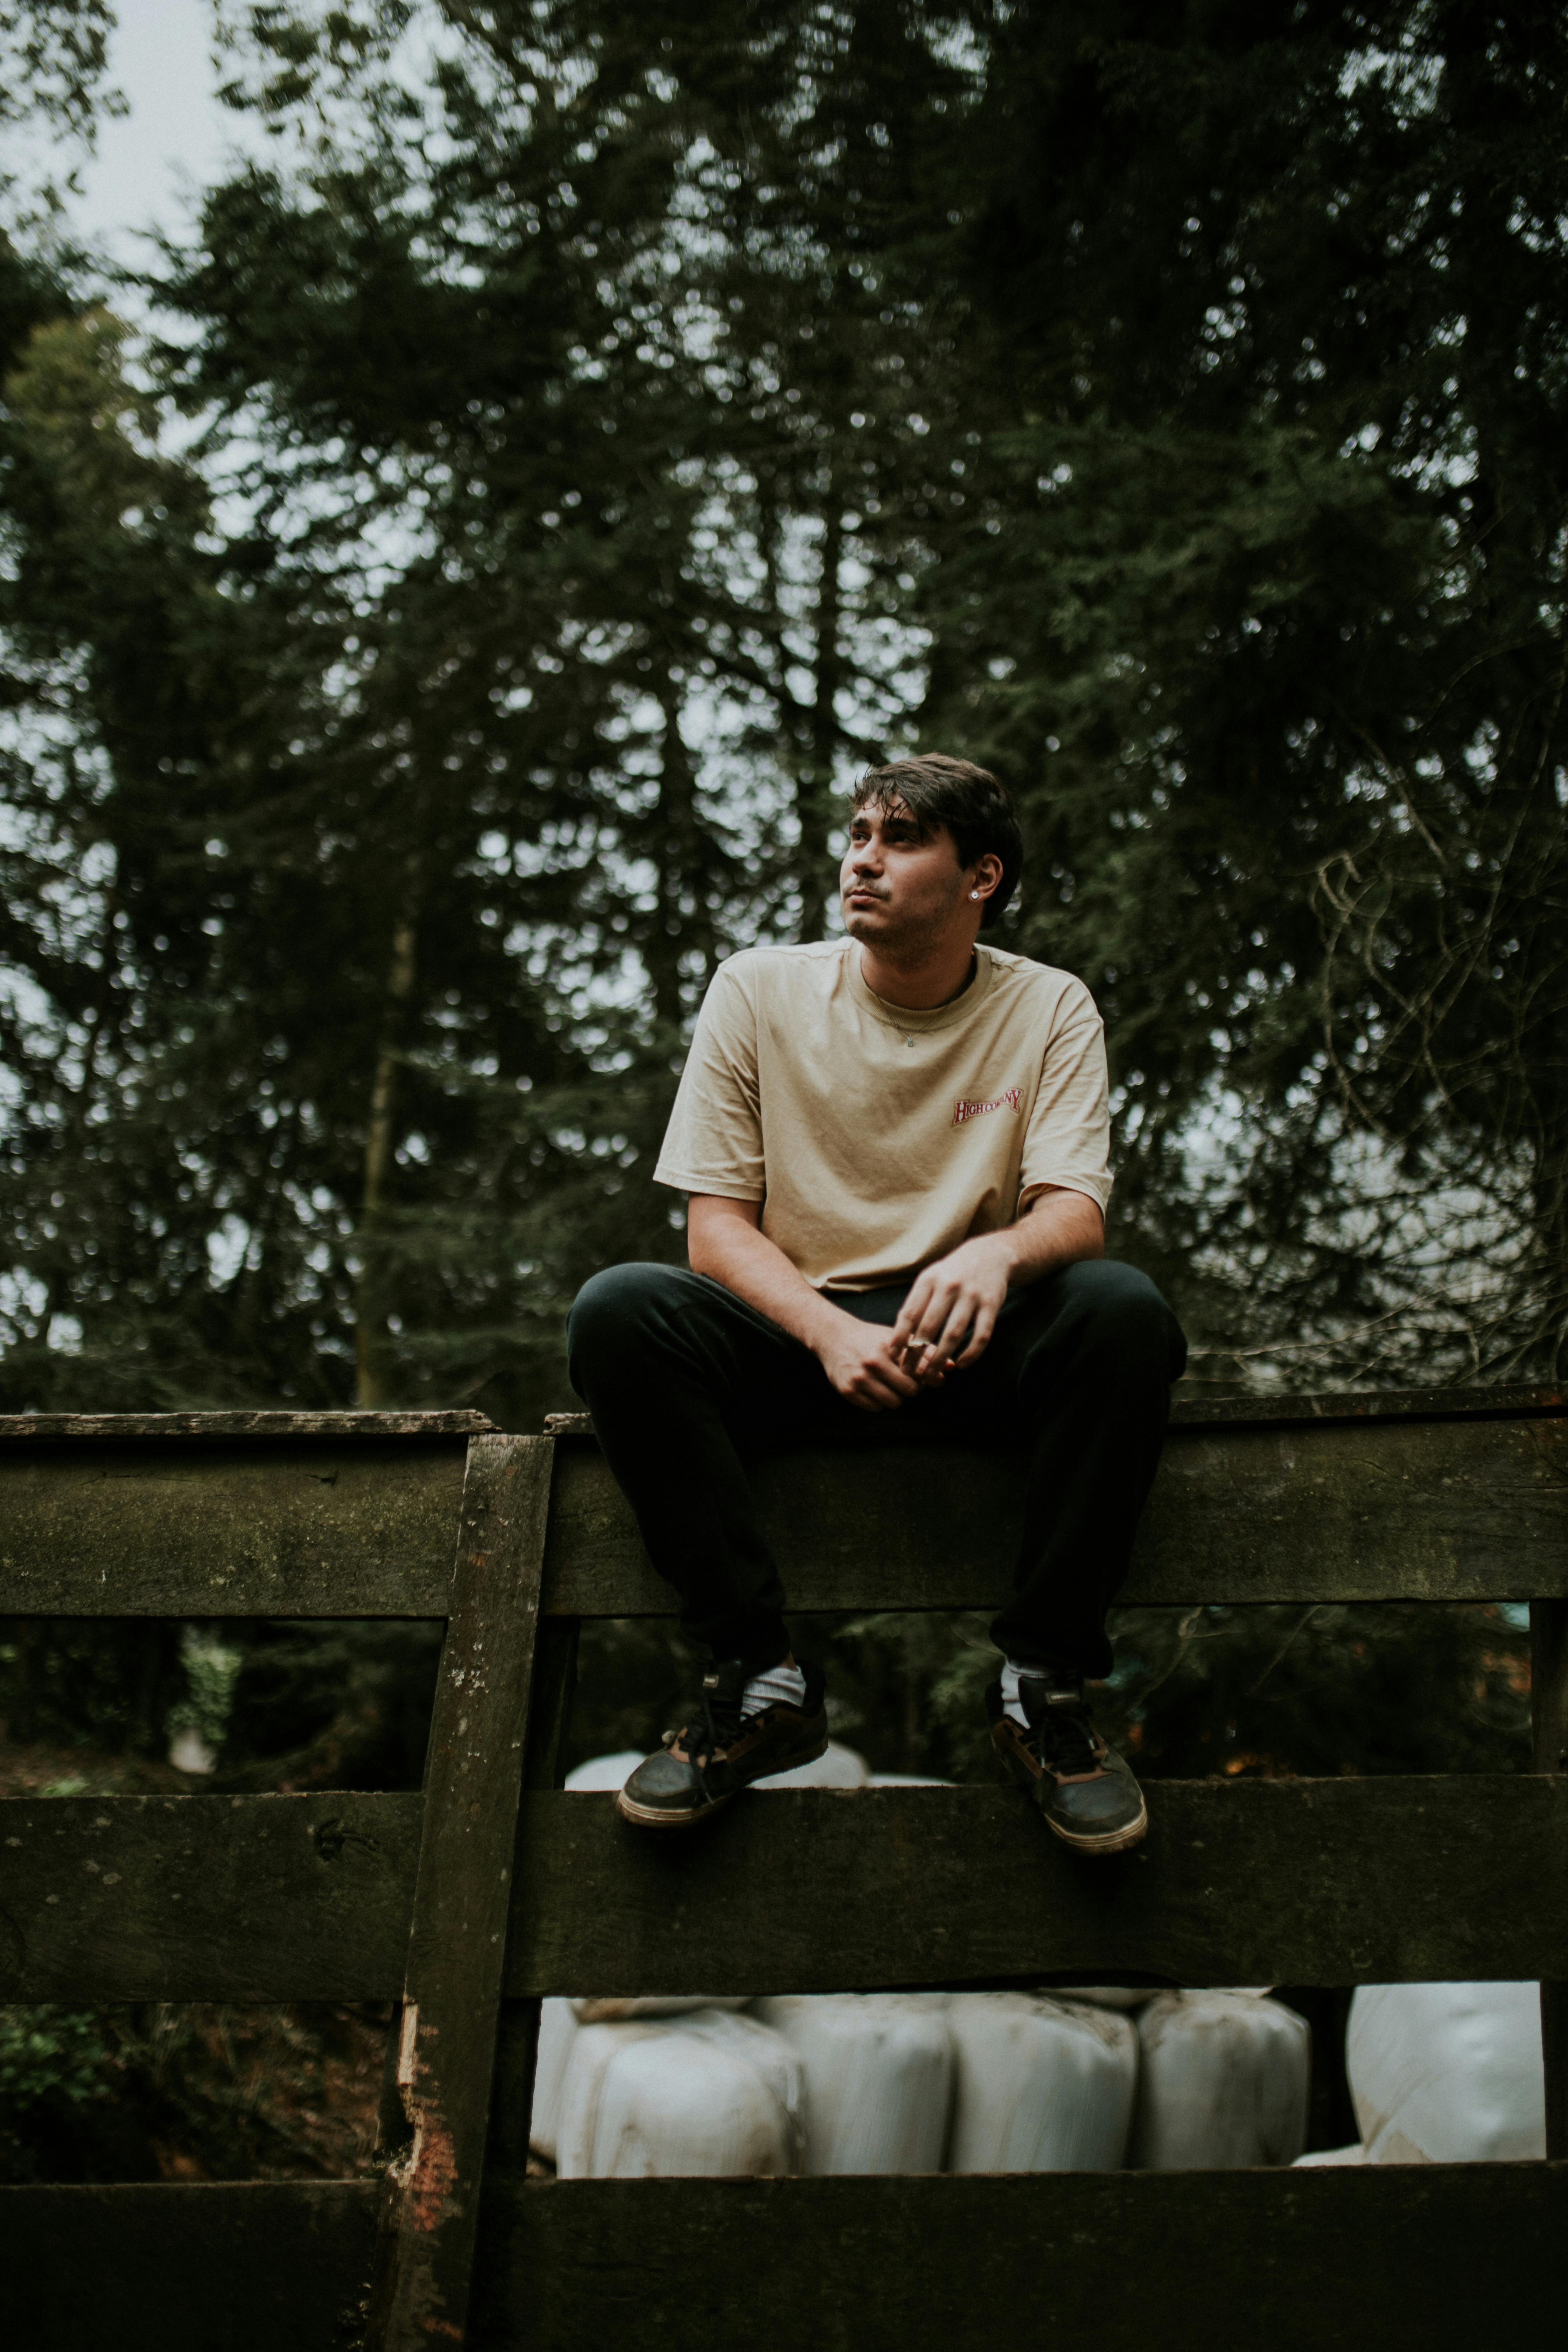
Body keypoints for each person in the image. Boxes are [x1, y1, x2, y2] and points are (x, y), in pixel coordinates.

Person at [567, 754, 1187, 1854]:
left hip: (973, 1345)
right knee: (620, 1311)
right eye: (858, 835)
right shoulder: (756, 989)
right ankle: (759, 1684)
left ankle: (1042, 1692)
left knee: (1122, 1312)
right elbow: (715, 1233)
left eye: (900, 840)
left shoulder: (1049, 1006)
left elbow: (1073, 1212)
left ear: (981, 876)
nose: (863, 859)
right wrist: (827, 1330)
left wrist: (997, 1260)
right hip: (801, 1340)